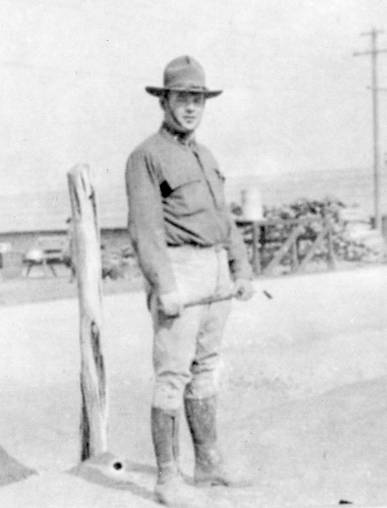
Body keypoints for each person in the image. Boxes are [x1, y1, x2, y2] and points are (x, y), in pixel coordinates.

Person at [125, 56, 255, 506]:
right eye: (182, 98)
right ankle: (167, 478)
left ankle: (209, 463)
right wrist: (163, 286)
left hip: (216, 273)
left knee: (208, 371)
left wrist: (240, 268)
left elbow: (225, 218)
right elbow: (145, 228)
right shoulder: (146, 156)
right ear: (164, 101)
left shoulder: (205, 155)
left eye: (197, 98)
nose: (191, 107)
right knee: (171, 376)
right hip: (179, 273)